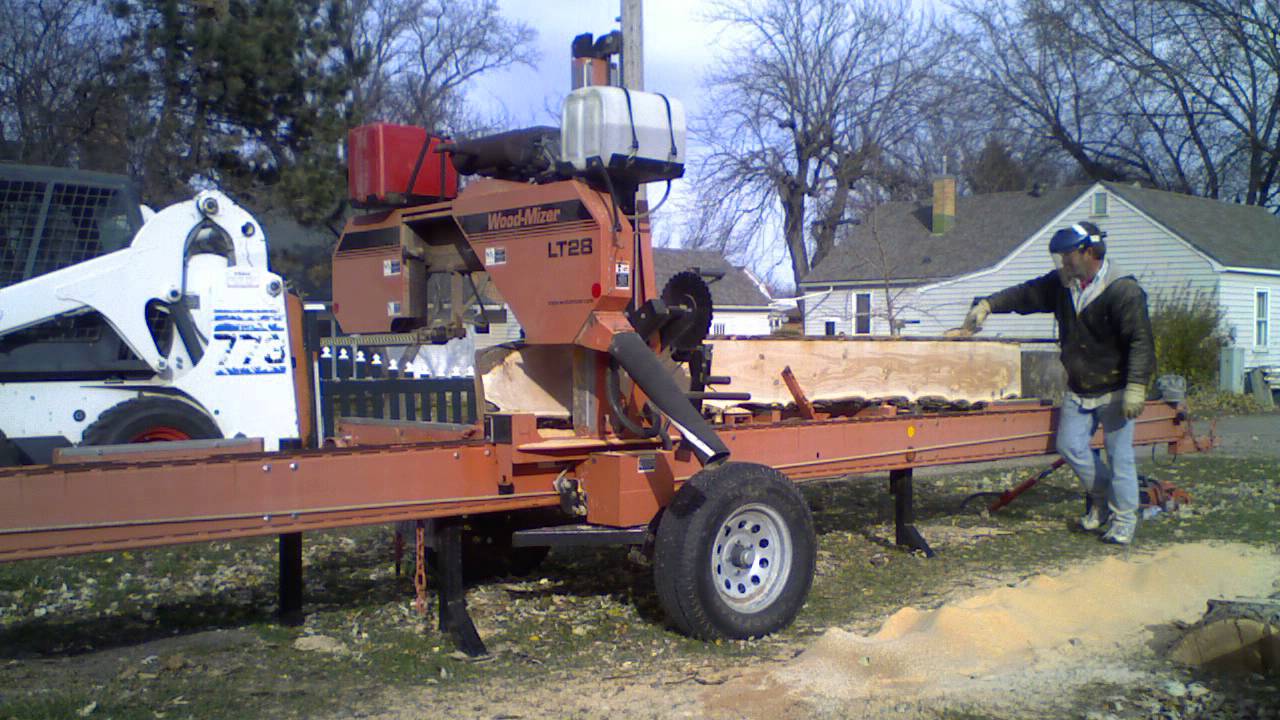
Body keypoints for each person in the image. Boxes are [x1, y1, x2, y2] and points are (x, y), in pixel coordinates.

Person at [960, 221, 1155, 545]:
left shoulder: (1123, 290)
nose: (1063, 264)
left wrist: (1136, 385)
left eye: (1068, 256)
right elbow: (1026, 294)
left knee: (1119, 456)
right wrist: (988, 305)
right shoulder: (1064, 284)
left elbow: (1140, 341)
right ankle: (1104, 499)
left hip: (1117, 388)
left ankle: (1123, 520)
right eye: (1061, 258)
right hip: (1080, 386)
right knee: (1070, 446)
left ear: (1089, 252)